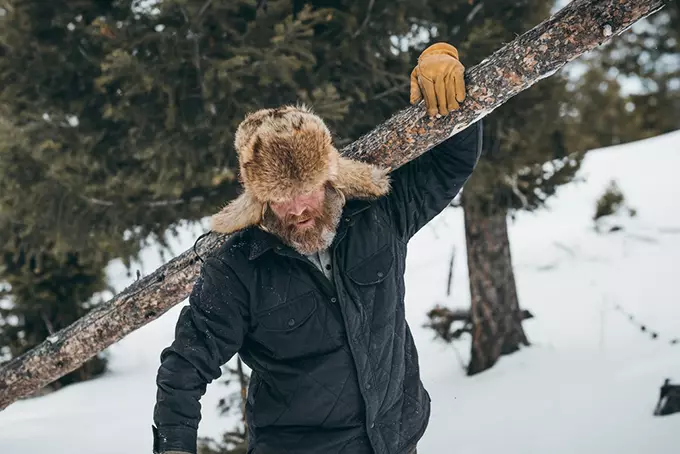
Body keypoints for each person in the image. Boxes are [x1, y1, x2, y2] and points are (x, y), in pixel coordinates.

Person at [152, 41, 483, 454]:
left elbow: (451, 164)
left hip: (396, 440)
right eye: (279, 196)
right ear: (258, 197)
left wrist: (443, 63)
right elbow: (186, 365)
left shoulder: (378, 215)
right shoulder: (237, 268)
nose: (297, 209)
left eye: (306, 190)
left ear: (328, 176)